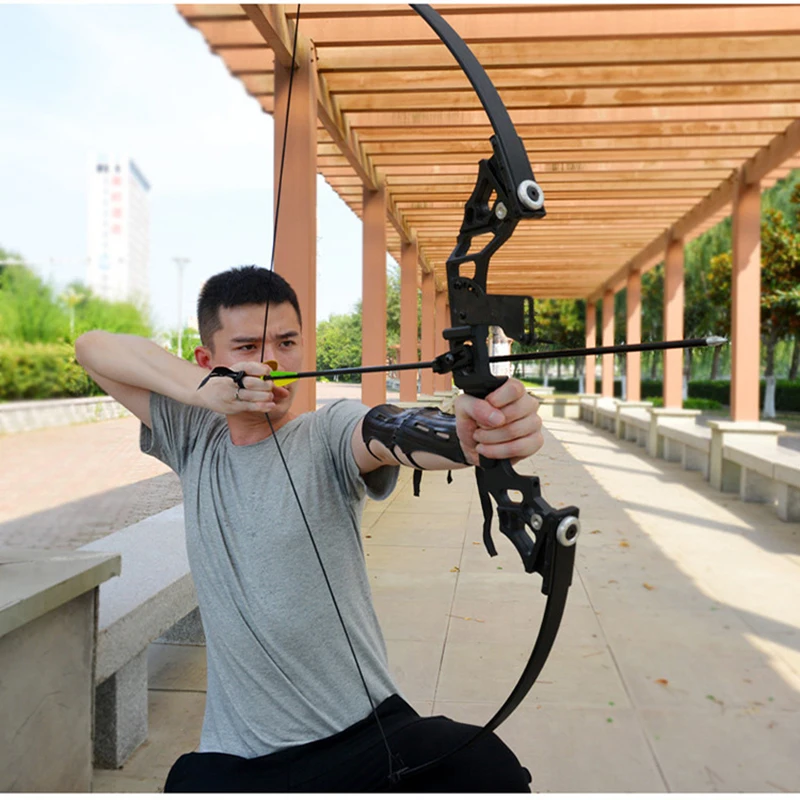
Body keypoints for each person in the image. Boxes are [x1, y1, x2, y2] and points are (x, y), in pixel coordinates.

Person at [75, 265, 545, 792]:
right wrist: (204, 391)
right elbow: (92, 347)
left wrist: (468, 435)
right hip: (241, 760)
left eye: (287, 342)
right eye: (247, 347)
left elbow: (386, 429)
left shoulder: (326, 432)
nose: (271, 363)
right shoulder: (194, 436)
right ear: (208, 361)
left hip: (367, 735)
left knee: (484, 767)